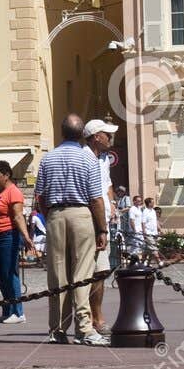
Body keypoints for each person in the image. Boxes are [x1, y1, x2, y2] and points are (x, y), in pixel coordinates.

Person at [34, 115, 108, 346]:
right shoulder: (88, 159)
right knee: (82, 273)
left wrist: (50, 216)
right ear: (81, 134)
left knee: (57, 274)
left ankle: (57, 328)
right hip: (81, 214)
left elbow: (39, 197)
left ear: (62, 132)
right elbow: (96, 199)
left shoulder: (48, 158)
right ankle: (84, 328)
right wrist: (102, 229)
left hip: (56, 215)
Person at [0, 159, 31, 324]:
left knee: (10, 273)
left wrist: (26, 237)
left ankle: (18, 312)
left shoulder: (13, 192)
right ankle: (8, 310)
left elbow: (18, 216)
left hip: (8, 236)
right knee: (1, 274)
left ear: (6, 175)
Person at [82, 120, 120, 332]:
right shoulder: (84, 158)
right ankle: (92, 317)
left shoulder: (103, 158)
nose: (110, 138)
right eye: (107, 134)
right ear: (96, 136)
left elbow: (107, 185)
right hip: (90, 221)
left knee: (101, 270)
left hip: (102, 220)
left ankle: (95, 315)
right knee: (90, 271)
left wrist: (112, 204)